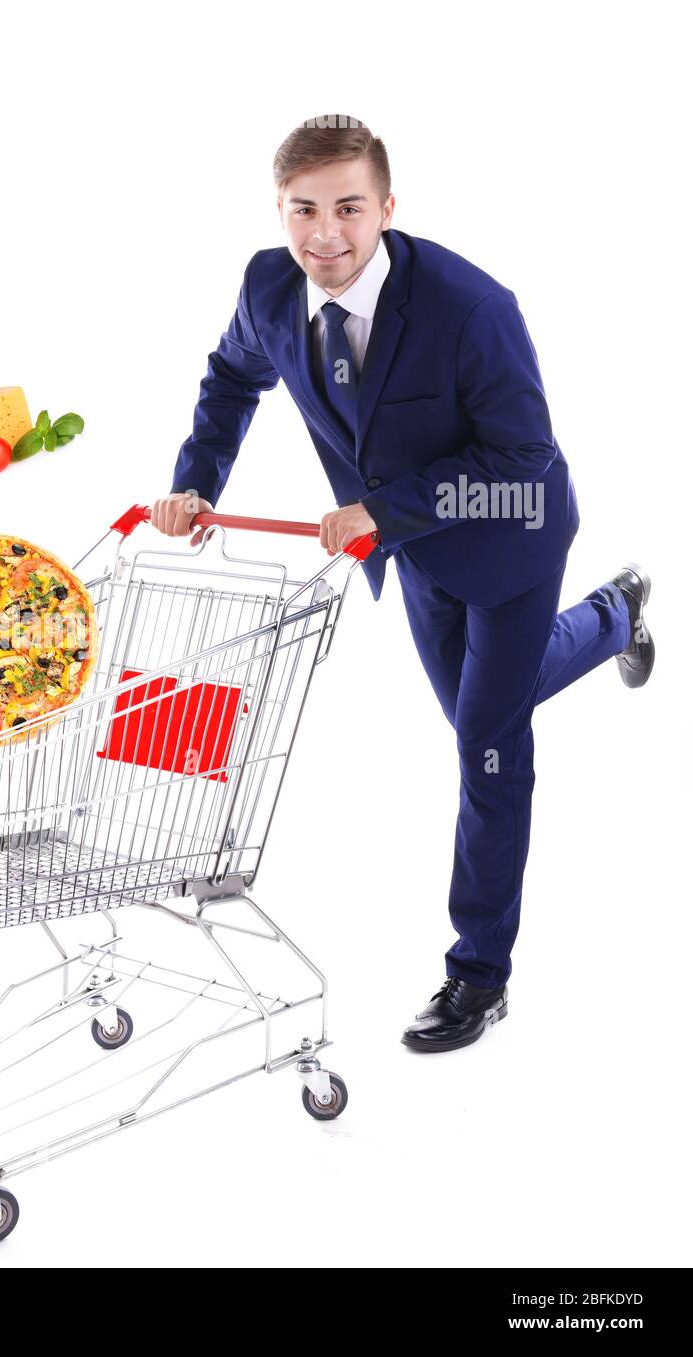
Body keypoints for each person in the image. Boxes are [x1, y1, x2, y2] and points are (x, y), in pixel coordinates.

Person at [152, 115, 654, 1053]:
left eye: (349, 207)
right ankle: (616, 613)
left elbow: (522, 457)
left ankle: (479, 973)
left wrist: (386, 510)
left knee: (488, 744)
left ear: (388, 208)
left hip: (513, 540)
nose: (325, 234)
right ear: (281, 209)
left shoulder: (473, 308)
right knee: (484, 703)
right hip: (417, 556)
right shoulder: (270, 288)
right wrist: (195, 483)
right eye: (305, 209)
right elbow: (230, 378)